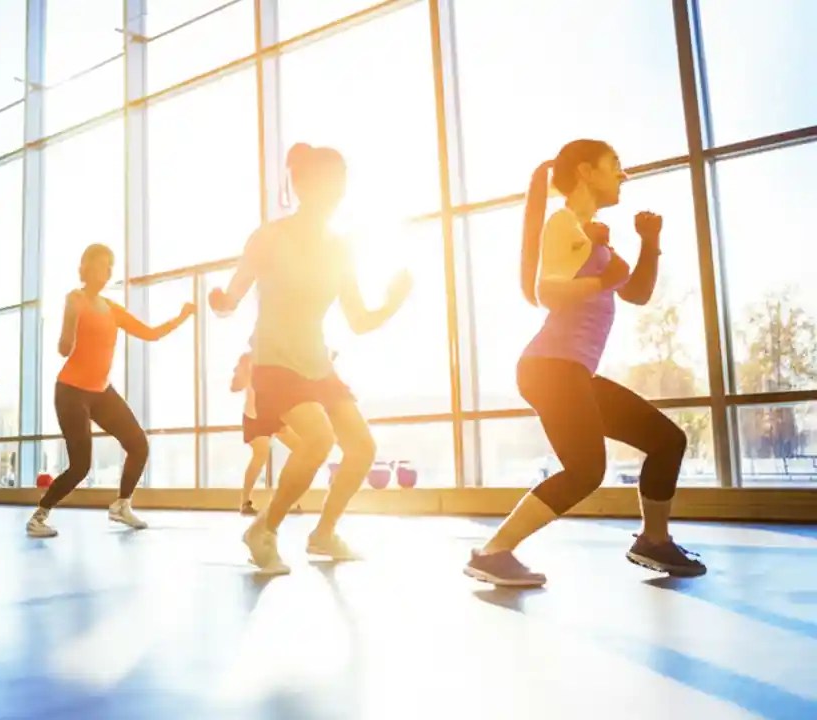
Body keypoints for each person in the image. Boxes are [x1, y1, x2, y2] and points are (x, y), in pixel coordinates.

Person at [464, 139, 704, 587]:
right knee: (586, 469)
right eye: (615, 164)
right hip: (550, 366)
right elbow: (547, 292)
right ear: (586, 171)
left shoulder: (590, 234)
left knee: (666, 440)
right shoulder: (563, 224)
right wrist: (602, 276)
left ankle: (653, 541)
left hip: (571, 369)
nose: (623, 174)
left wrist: (649, 244)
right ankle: (493, 552)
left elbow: (635, 292)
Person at [208, 143, 413, 575]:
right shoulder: (269, 237)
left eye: (341, 182)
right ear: (300, 184)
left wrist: (393, 302)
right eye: (325, 181)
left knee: (361, 447)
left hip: (316, 361)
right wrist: (221, 303)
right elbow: (233, 295)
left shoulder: (340, 248)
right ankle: (263, 529)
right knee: (318, 440)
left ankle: (324, 533)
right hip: (274, 358)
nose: (335, 191)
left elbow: (358, 320)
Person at [26, 243, 195, 538]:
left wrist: (182, 317)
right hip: (71, 391)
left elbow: (150, 333)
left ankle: (121, 505)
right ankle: (39, 516)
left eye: (109, 266)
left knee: (138, 444)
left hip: (101, 392)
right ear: (86, 268)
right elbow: (63, 348)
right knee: (80, 466)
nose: (106, 271)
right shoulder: (75, 299)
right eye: (101, 264)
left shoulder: (112, 309)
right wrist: (69, 325)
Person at [231, 350, 302, 516]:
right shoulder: (247, 359)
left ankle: (288, 498)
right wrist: (243, 372)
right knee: (260, 454)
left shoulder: (277, 360)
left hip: (272, 414)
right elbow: (235, 387)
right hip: (255, 416)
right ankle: (245, 502)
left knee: (300, 448)